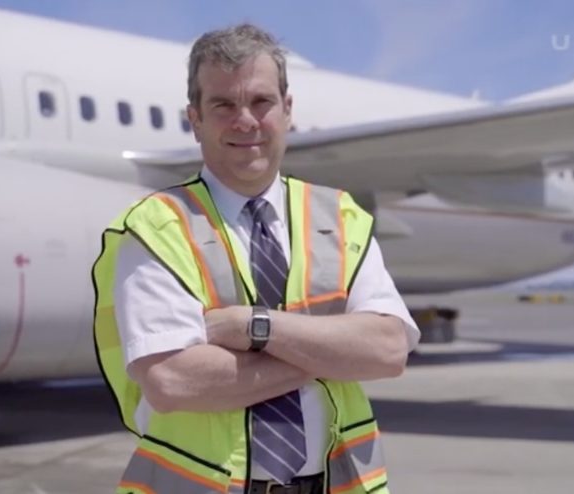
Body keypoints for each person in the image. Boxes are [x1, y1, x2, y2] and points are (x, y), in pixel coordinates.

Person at [92, 23, 420, 494]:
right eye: (223, 105)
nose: (245, 120)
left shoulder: (340, 216)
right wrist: (332, 351)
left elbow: (388, 350)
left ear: (287, 111)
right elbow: (172, 381)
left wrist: (254, 327)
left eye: (261, 102)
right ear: (195, 119)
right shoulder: (155, 228)